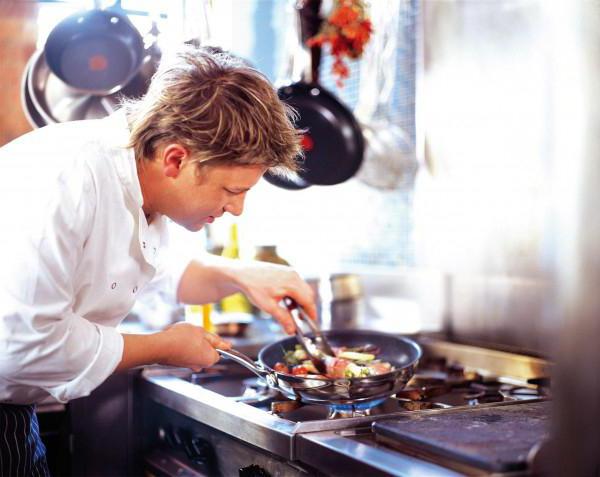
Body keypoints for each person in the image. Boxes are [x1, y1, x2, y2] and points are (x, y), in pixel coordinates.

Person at [0, 46, 316, 475]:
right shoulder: (65, 179)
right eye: (231, 190)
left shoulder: (143, 186)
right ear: (176, 159)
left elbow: (166, 272)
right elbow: (22, 346)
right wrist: (164, 347)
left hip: (14, 416)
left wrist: (242, 275)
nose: (237, 209)